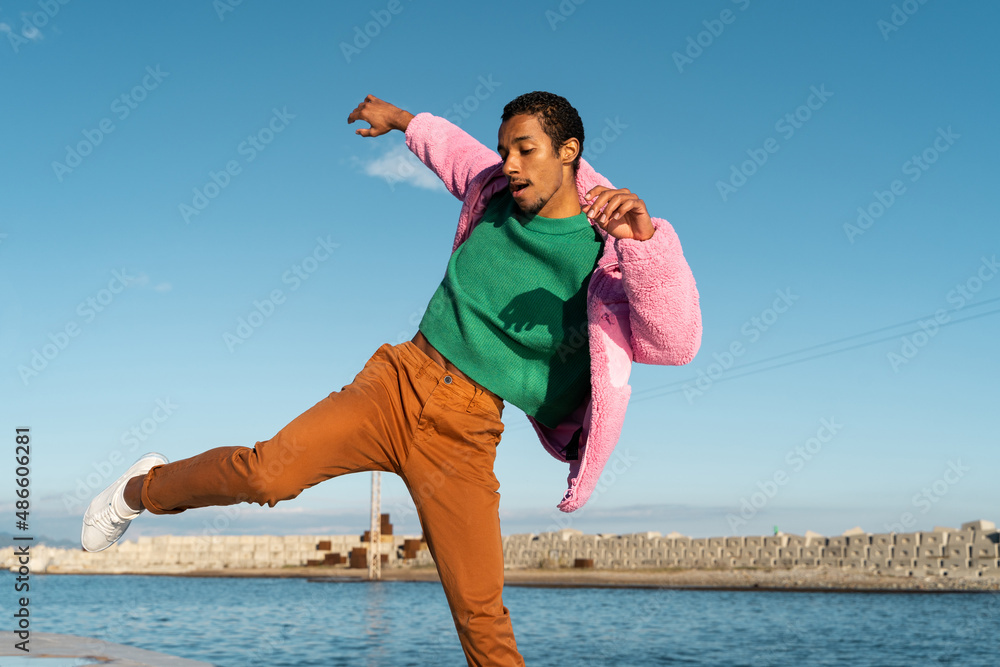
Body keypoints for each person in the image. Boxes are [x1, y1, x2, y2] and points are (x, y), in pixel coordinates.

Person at [82, 91, 702, 666]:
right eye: (505, 149)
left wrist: (645, 244)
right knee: (266, 473)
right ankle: (140, 490)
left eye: (526, 150)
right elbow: (454, 151)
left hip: (466, 433)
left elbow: (675, 344)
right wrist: (402, 119)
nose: (510, 164)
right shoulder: (494, 189)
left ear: (569, 152)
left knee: (480, 613)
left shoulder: (609, 250)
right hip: (397, 385)